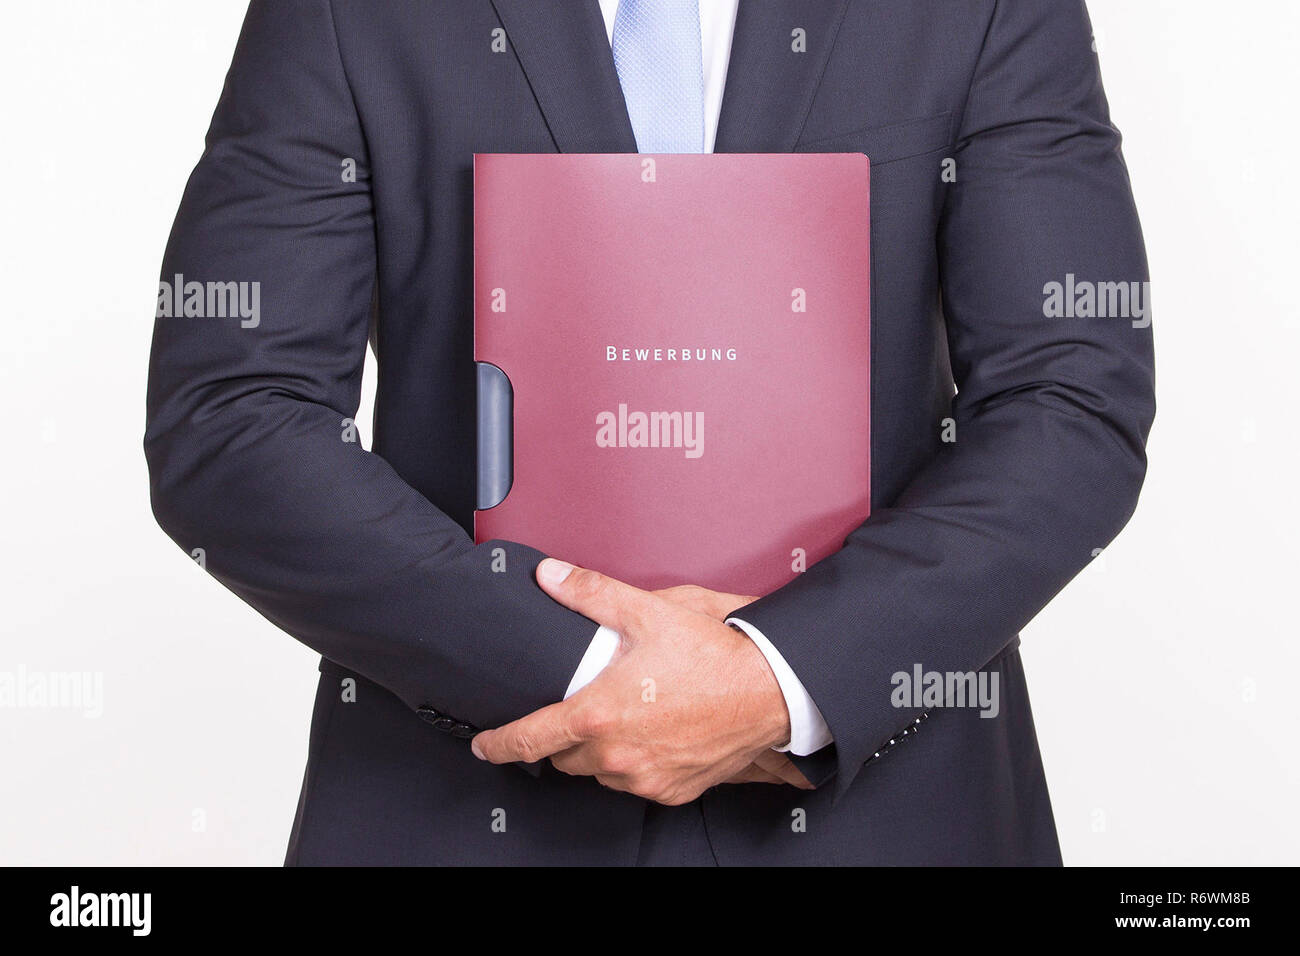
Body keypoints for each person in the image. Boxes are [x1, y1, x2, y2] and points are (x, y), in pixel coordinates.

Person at [146, 0, 1154, 865]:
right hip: (459, 804)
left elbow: (1068, 401)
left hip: (885, 808)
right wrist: (592, 677)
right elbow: (231, 412)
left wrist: (782, 677)